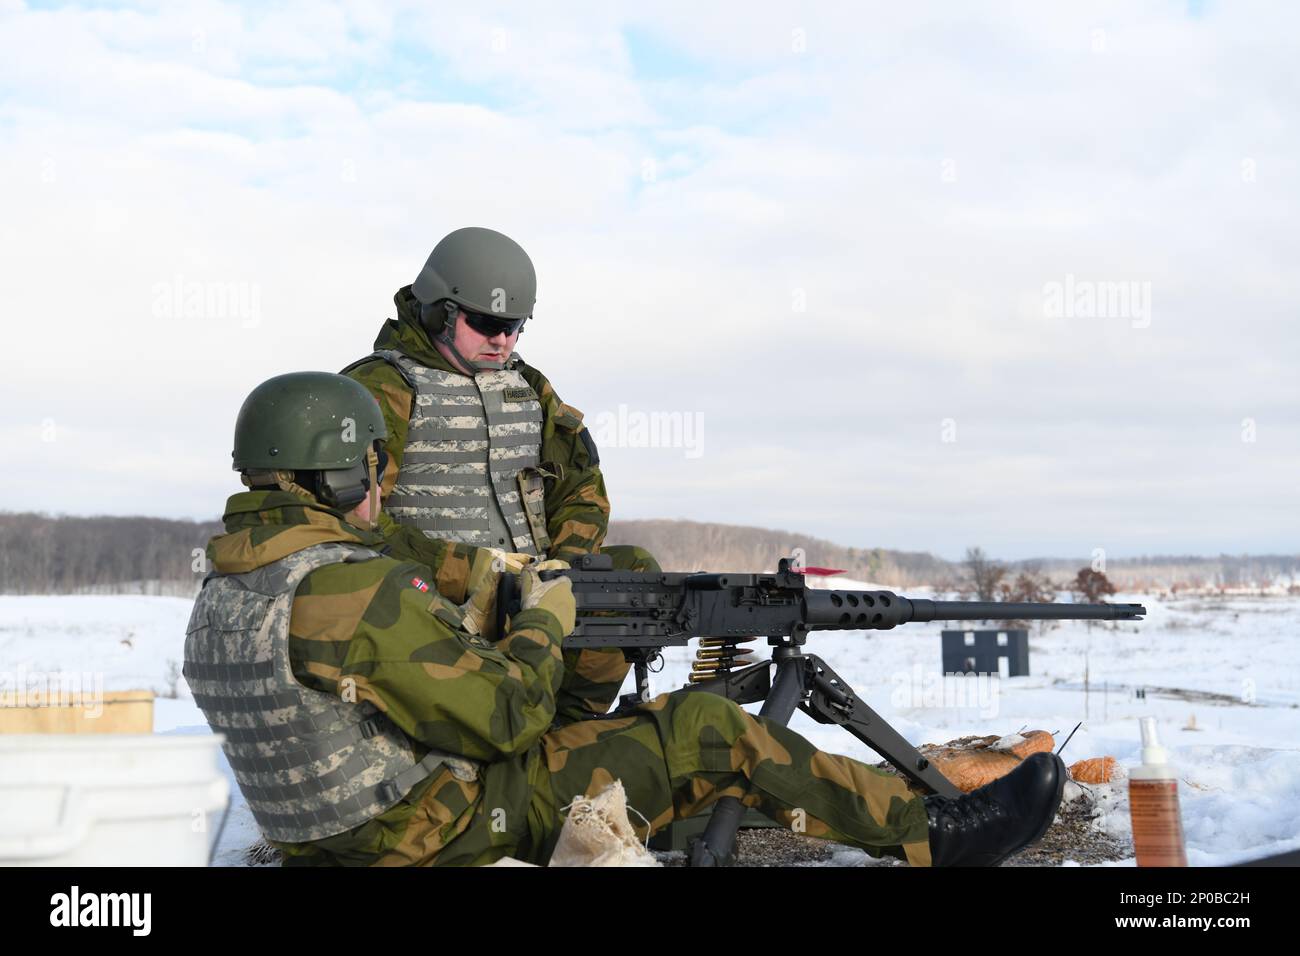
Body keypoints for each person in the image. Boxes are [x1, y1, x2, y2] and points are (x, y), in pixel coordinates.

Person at [183, 372, 1067, 867]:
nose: (381, 487)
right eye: (372, 469)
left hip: (326, 839)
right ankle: (932, 837)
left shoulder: (226, 592)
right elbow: (505, 718)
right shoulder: (353, 590)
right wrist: (544, 619)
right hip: (427, 832)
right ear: (340, 477)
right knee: (704, 729)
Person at [343, 227, 650, 723]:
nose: (503, 340)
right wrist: (466, 571)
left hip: (534, 595)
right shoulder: (379, 387)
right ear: (440, 310)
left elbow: (581, 488)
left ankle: (565, 732)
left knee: (631, 572)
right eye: (486, 322)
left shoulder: (528, 386)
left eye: (515, 325)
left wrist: (563, 571)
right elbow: (352, 521)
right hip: (432, 601)